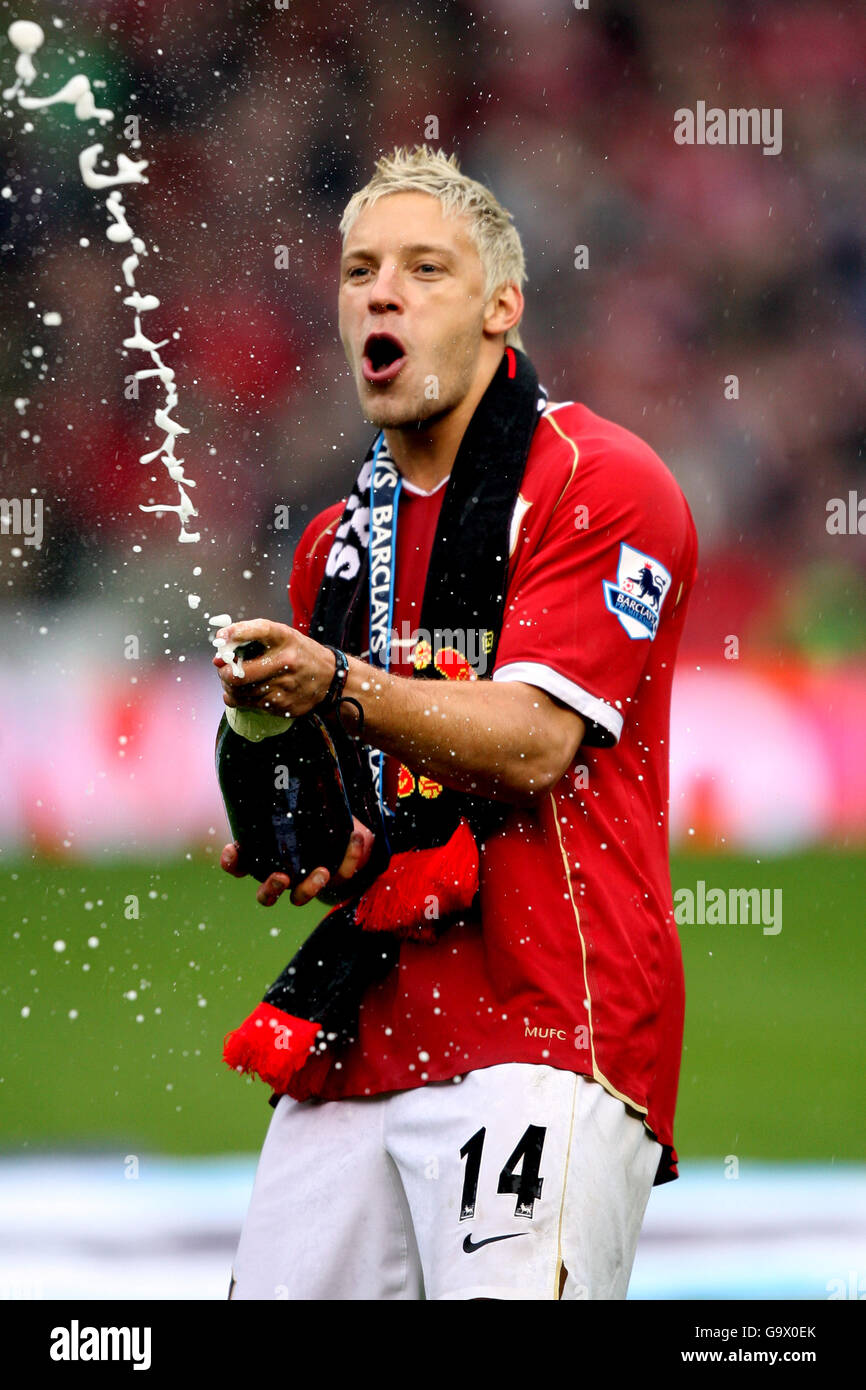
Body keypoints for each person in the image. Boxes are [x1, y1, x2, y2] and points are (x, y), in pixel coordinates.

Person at [215, 146, 698, 1301]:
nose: (381, 292)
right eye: (359, 270)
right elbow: (376, 800)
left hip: (548, 1022)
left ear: (499, 307)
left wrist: (333, 683)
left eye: (424, 269)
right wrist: (295, 802)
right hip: (362, 1038)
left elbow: (532, 742)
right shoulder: (335, 544)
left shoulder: (601, 481)